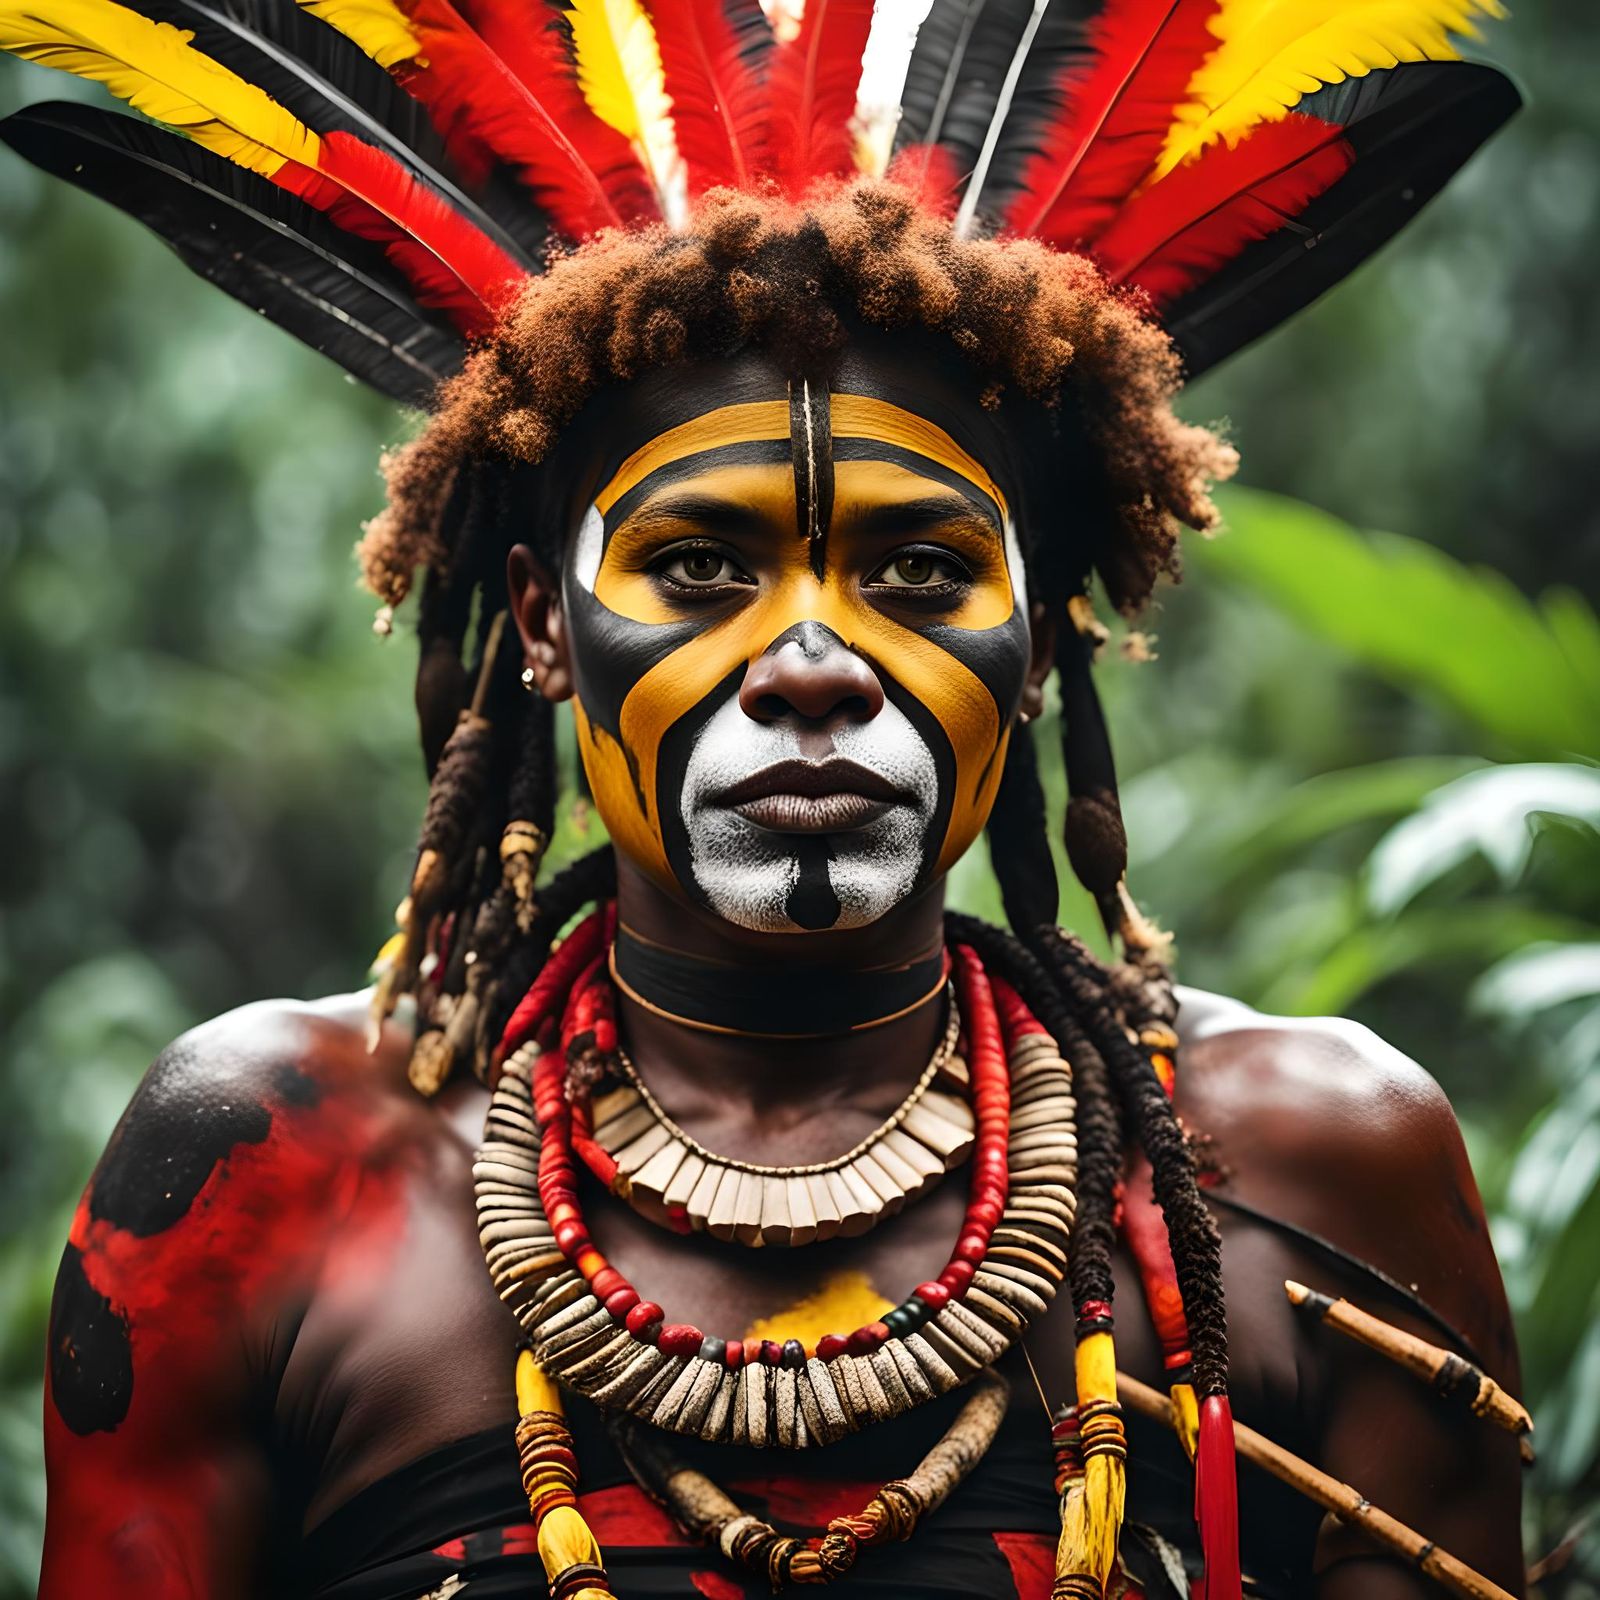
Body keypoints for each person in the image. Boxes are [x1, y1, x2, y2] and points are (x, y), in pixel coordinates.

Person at [2, 0, 1529, 1595]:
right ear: (543, 625)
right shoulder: (277, 1173)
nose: (814, 662)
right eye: (701, 565)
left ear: (1038, 641)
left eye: (923, 572)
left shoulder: (1302, 1167)